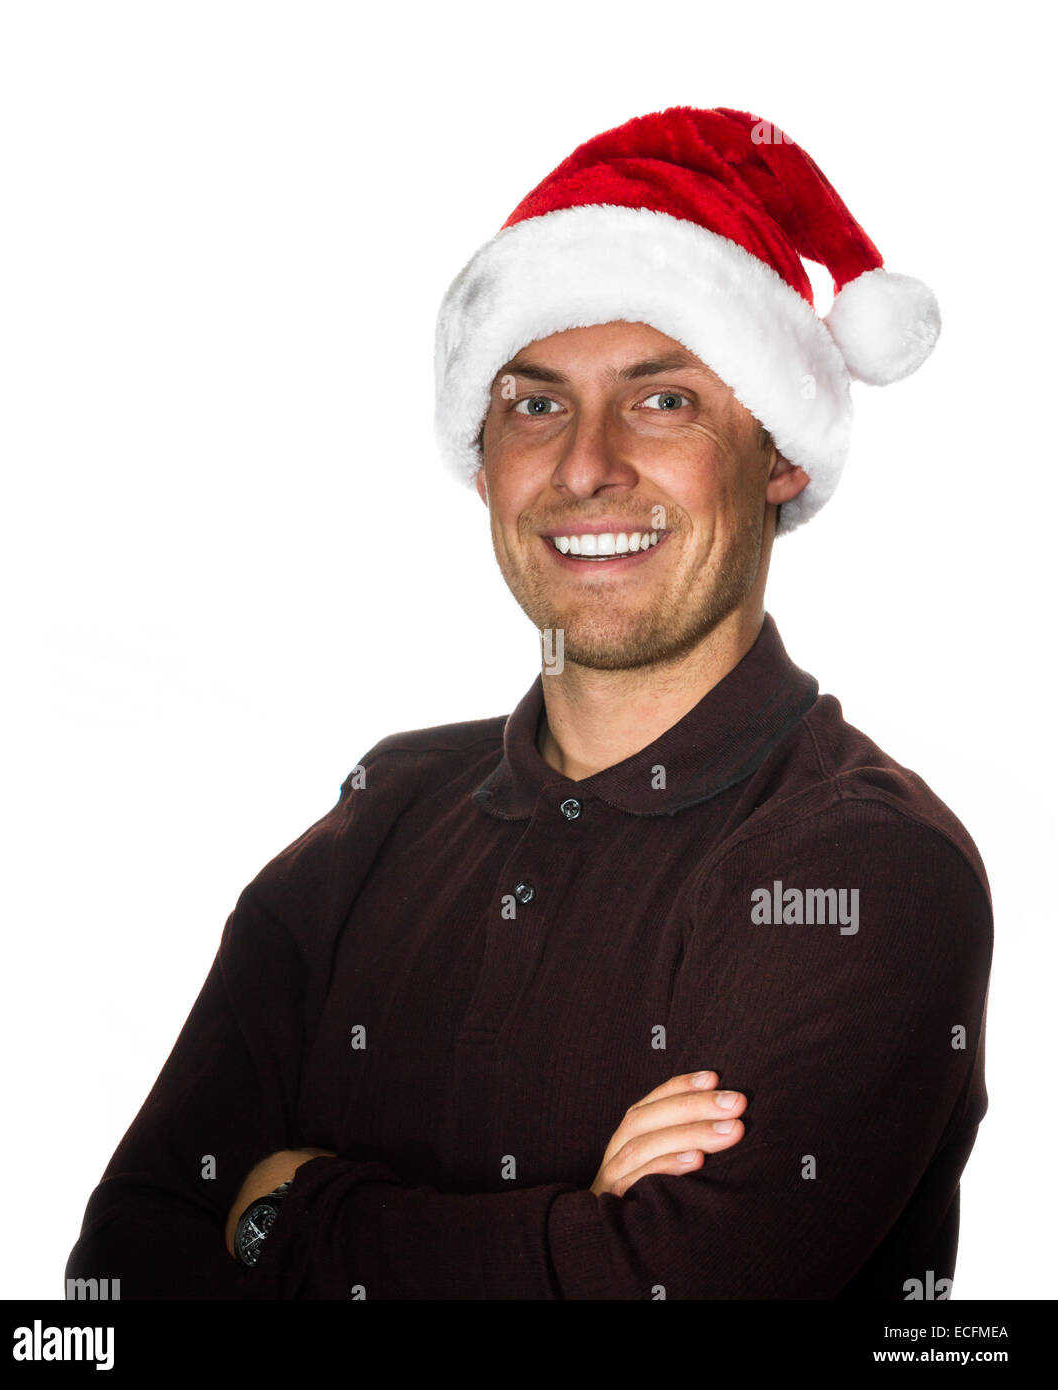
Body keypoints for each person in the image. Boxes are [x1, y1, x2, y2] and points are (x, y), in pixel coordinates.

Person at [65, 106, 992, 1300]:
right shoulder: (383, 811)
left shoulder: (862, 863)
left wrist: (282, 1213)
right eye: (537, 402)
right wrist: (568, 1234)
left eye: (663, 401)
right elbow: (119, 1273)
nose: (587, 464)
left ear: (780, 457)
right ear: (482, 449)